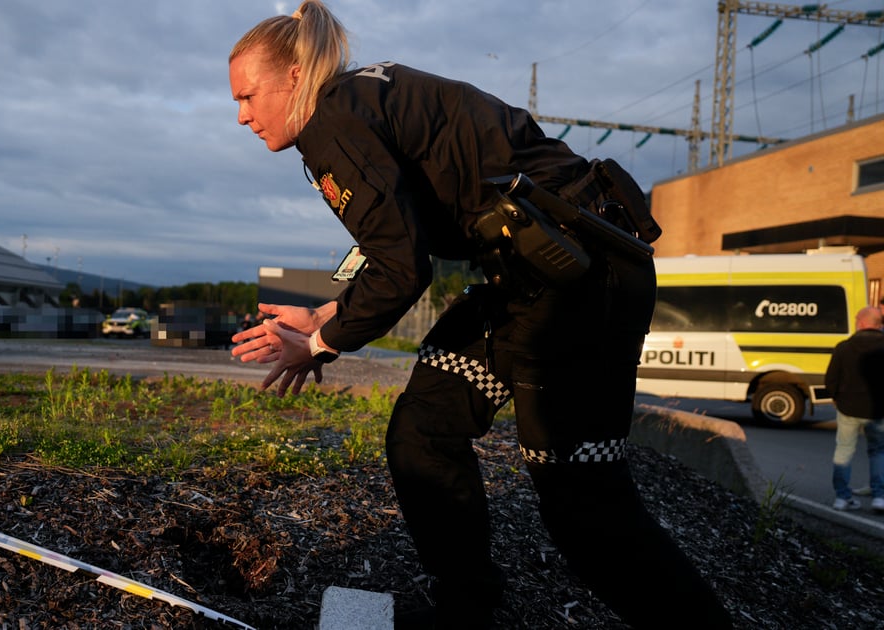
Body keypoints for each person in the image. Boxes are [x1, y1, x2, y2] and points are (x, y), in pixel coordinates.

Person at [226, 2, 731, 628]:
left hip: (579, 279)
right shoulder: (356, 101)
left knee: (583, 504)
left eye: (248, 96)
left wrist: (322, 342)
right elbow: (398, 241)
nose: (242, 116)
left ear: (296, 76)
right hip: (532, 275)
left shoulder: (332, 119)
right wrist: (332, 310)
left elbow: (403, 269)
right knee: (424, 430)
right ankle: (464, 610)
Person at [825, 306, 884, 512]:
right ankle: (879, 496)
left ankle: (842, 497)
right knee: (878, 452)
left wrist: (836, 398)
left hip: (848, 407)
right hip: (878, 410)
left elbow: (831, 379)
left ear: (861, 322)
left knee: (844, 450)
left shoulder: (844, 347)